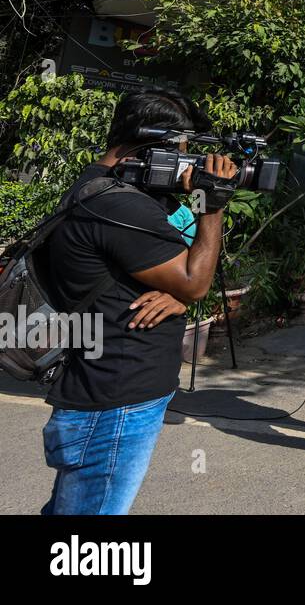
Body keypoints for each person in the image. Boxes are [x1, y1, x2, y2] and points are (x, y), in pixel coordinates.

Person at [41, 90, 237, 515]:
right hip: (115, 402)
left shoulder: (102, 188)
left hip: (109, 391)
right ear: (156, 147)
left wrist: (177, 294)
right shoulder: (118, 206)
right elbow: (195, 281)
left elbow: (159, 272)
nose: (187, 164)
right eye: (182, 154)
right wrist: (213, 205)